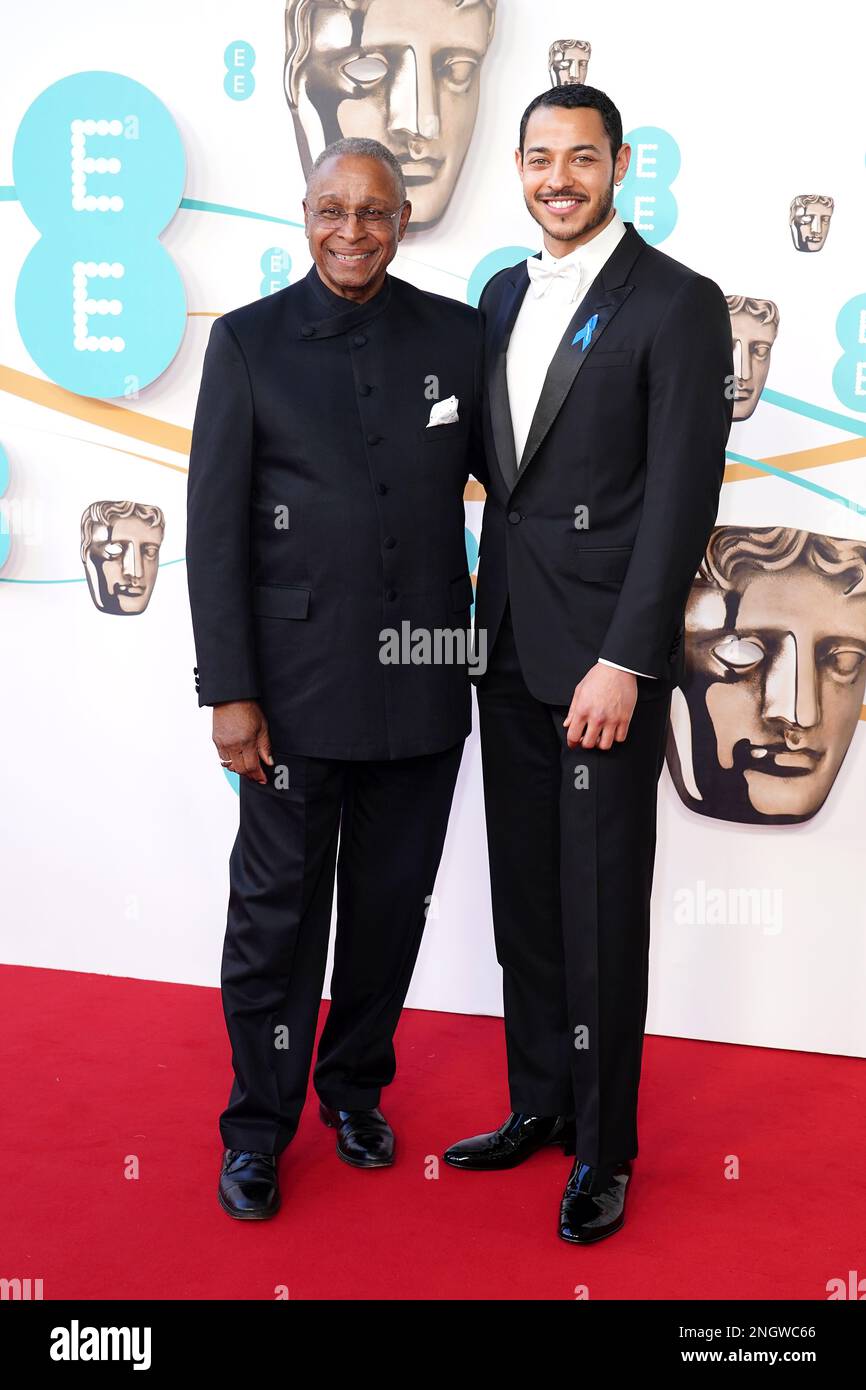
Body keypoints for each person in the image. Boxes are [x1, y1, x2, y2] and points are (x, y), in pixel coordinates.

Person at [443, 84, 734, 1243]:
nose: (555, 177)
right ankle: (538, 1106)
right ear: (516, 168)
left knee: (599, 906)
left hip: (603, 664)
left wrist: (627, 658)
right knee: (525, 900)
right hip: (506, 640)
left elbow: (679, 499)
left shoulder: (678, 303)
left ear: (619, 164)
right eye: (536, 158)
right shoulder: (505, 291)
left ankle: (604, 1151)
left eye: (578, 157)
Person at [186, 136, 481, 1220]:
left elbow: (521, 483)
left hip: (426, 677)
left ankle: (353, 1090)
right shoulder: (249, 344)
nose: (350, 230)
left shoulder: (459, 335)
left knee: (387, 912)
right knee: (275, 917)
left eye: (373, 212)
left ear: (404, 219)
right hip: (292, 691)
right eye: (330, 209)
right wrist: (229, 690)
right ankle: (255, 1128)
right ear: (300, 214)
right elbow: (213, 531)